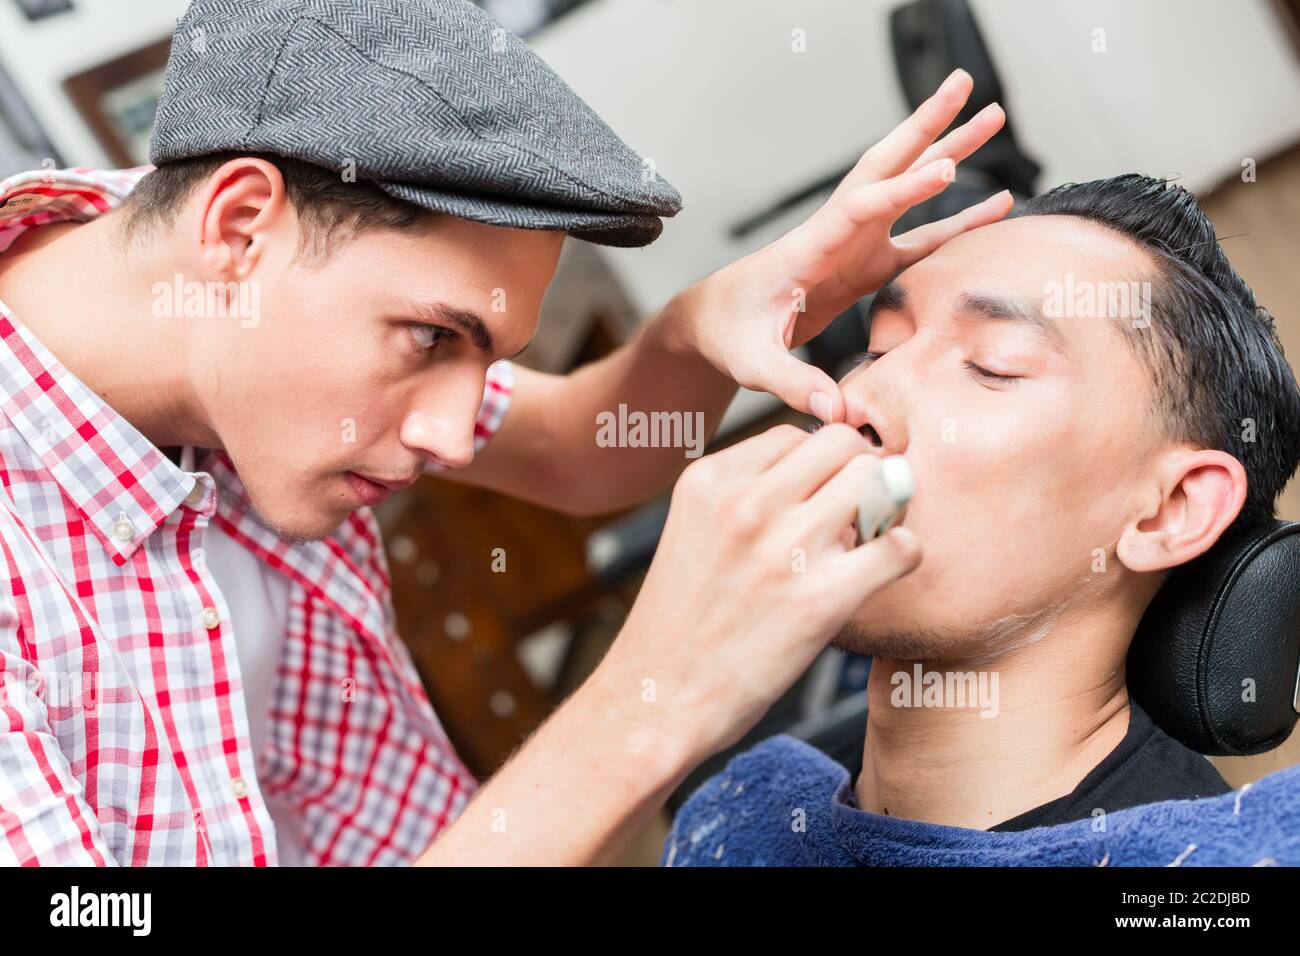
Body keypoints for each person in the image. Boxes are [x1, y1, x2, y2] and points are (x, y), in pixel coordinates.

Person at [0, 0, 1011, 865]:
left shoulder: (170, 245)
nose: (451, 436)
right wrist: (650, 702)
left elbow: (572, 448)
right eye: (433, 336)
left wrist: (700, 328)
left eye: (479, 356)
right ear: (238, 227)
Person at [663, 174, 1300, 864]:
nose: (856, 394)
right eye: (878, 346)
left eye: (992, 366)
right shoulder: (743, 805)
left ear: (1170, 512)